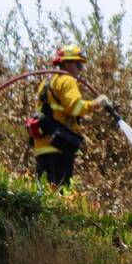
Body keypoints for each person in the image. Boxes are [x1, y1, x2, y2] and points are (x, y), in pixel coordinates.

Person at [31, 44, 111, 187]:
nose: (80, 69)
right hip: (59, 147)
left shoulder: (46, 82)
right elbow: (75, 108)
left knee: (43, 194)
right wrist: (97, 103)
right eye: (78, 64)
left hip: (42, 148)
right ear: (67, 63)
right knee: (61, 196)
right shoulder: (67, 80)